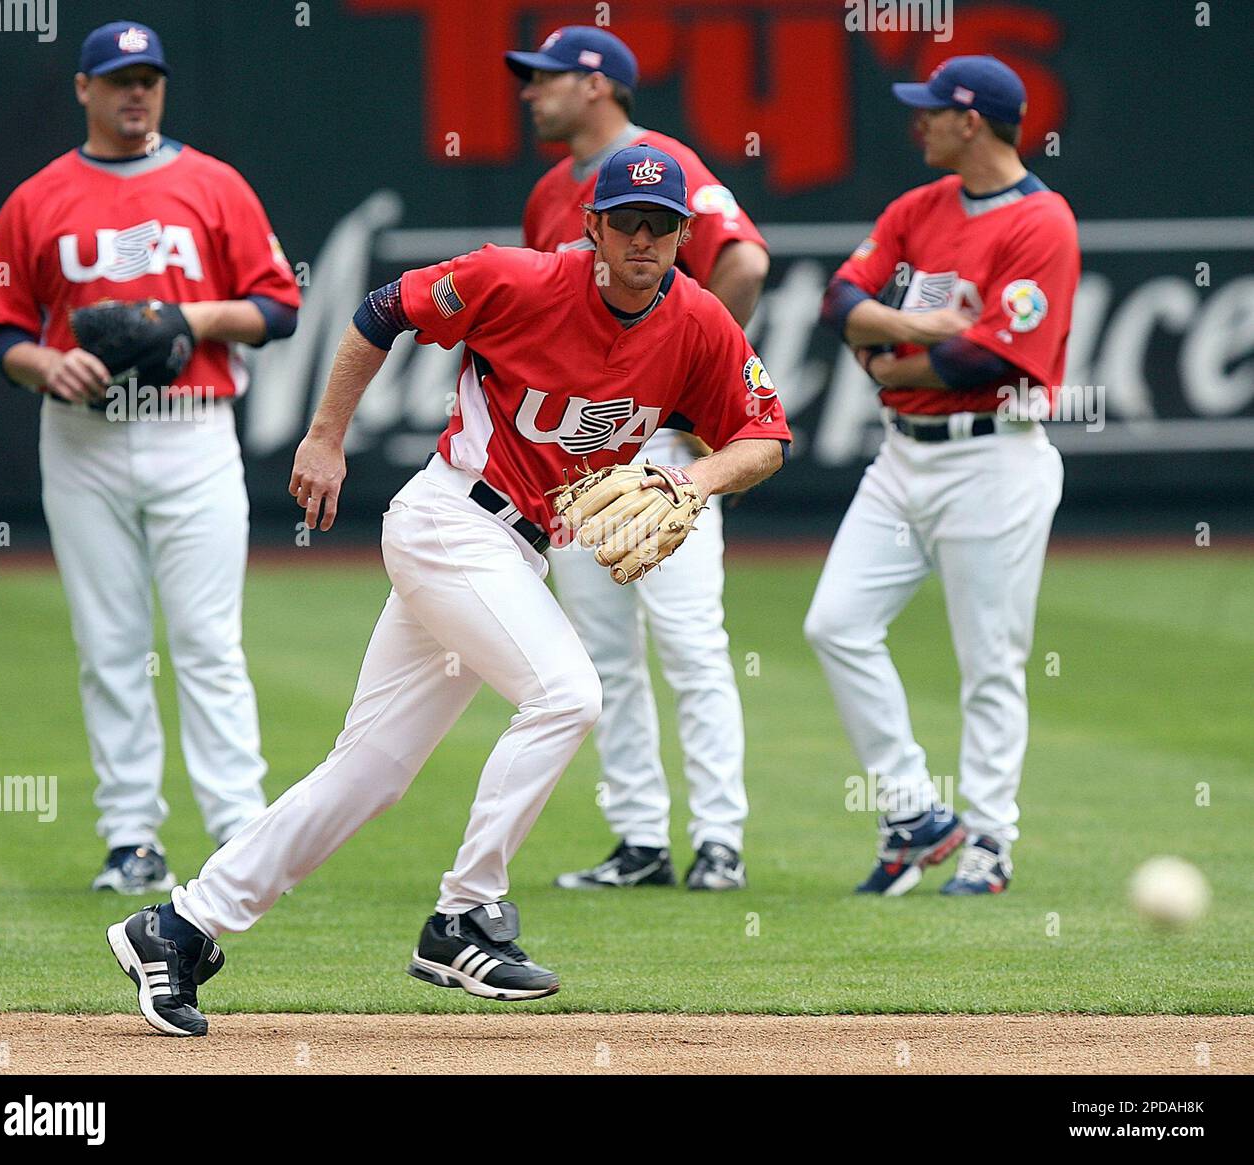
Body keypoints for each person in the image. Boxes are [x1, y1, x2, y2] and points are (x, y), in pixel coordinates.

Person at [105, 145, 791, 1035]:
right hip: (450, 521)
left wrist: (690, 483)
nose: (643, 240)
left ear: (683, 236)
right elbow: (381, 309)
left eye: (662, 227)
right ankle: (465, 914)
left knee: (369, 773)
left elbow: (766, 434)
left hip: (518, 548)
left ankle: (178, 926)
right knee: (570, 694)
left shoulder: (698, 323)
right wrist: (324, 435)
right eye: (626, 221)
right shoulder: (519, 280)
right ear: (593, 226)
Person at [0, 21, 301, 894]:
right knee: (110, 643)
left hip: (193, 428)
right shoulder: (37, 198)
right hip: (81, 438)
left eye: (149, 78)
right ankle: (130, 838)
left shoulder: (212, 185)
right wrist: (45, 362)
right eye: (118, 78)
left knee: (207, 641)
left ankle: (241, 829)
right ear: (83, 88)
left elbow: (278, 308)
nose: (136, 93)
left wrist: (190, 319)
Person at [506, 25, 770, 891]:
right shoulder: (555, 190)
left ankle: (720, 838)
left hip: (656, 444)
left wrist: (688, 385)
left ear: (596, 85)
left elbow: (746, 259)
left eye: (545, 79)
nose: (529, 92)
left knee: (692, 641)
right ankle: (640, 841)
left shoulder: (665, 161)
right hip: (576, 447)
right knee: (600, 653)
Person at [807, 56, 1079, 896]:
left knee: (989, 658)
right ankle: (915, 813)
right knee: (835, 623)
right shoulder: (917, 207)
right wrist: (910, 324)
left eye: (931, 111)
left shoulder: (1040, 221)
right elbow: (838, 296)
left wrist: (892, 361)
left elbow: (990, 354)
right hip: (903, 457)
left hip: (993, 456)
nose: (916, 122)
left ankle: (990, 840)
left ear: (973, 121)